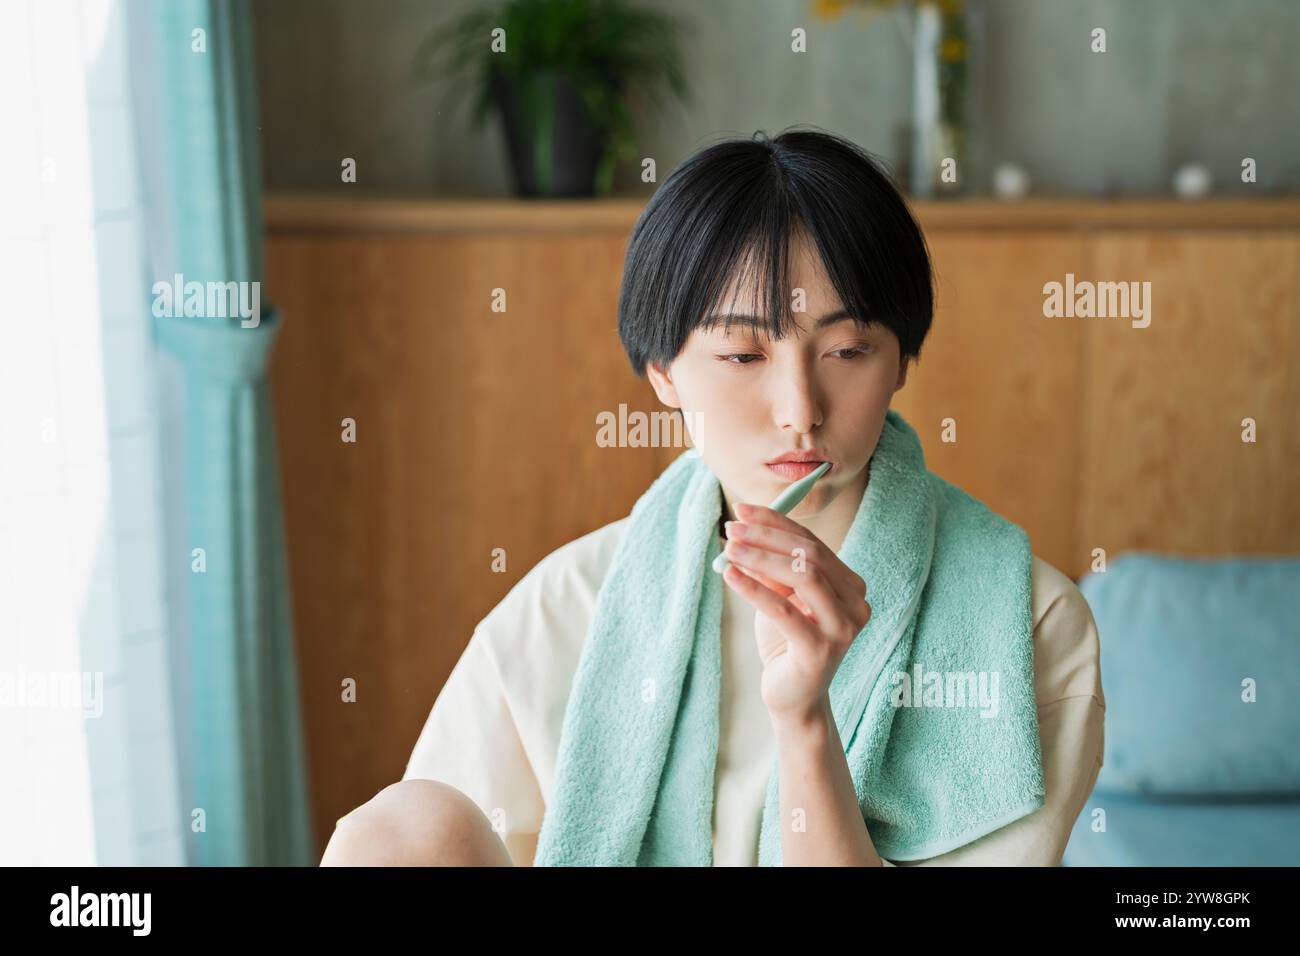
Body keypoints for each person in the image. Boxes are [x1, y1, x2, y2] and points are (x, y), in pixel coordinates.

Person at [320, 127, 1105, 867]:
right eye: (740, 354)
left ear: (902, 359)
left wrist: (806, 722)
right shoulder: (569, 607)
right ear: (663, 374)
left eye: (847, 349)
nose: (800, 408)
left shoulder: (1024, 621)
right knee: (403, 828)